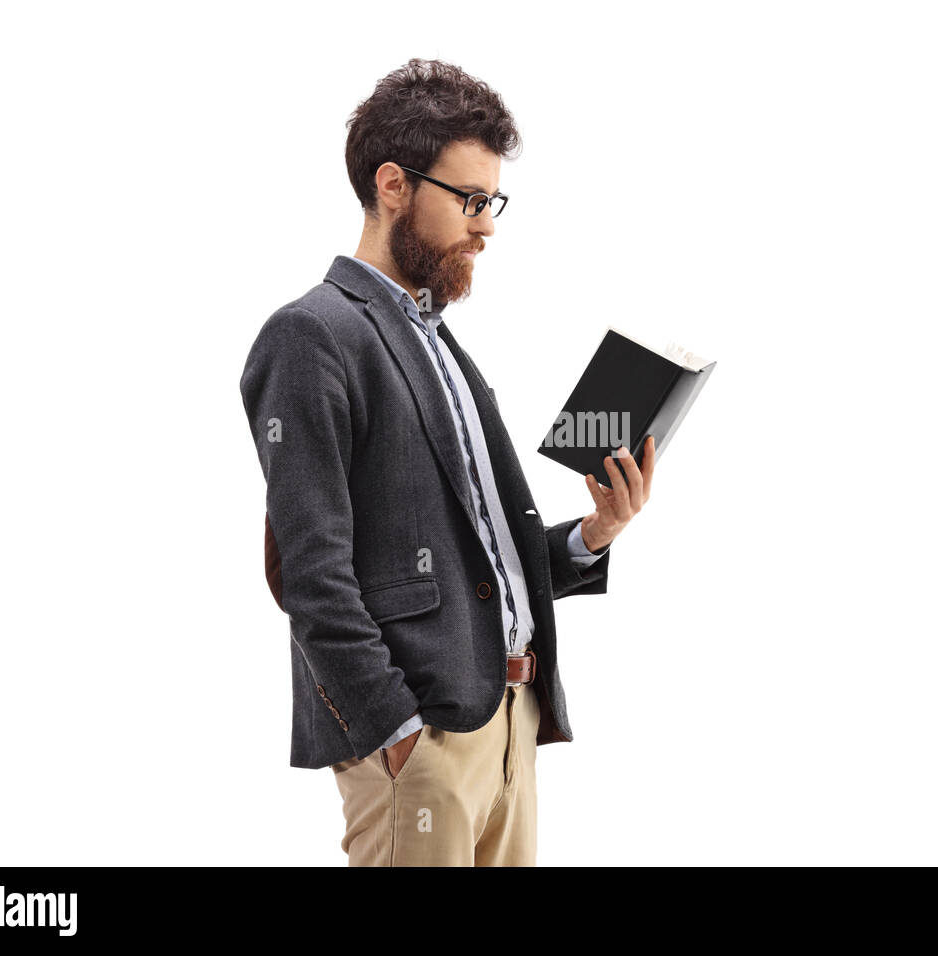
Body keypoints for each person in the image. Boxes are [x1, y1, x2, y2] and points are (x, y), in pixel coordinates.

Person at [238, 58, 655, 866]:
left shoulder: (440, 345)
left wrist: (593, 536)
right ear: (393, 184)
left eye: (492, 203)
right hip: (421, 739)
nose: (487, 225)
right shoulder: (311, 334)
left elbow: (479, 559)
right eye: (470, 201)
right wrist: (395, 733)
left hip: (511, 722)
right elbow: (310, 571)